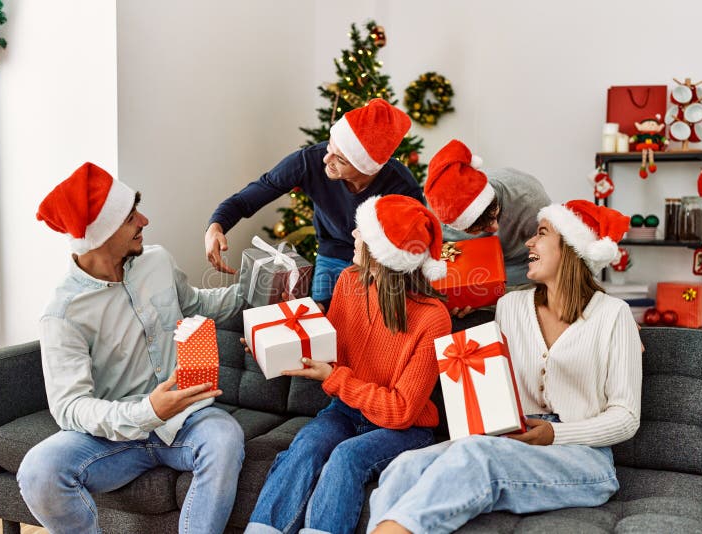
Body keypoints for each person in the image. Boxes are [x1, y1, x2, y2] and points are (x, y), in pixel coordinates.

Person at [367, 199, 643, 534]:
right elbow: (494, 388)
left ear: (571, 248)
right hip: (511, 439)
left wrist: (555, 433)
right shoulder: (510, 306)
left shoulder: (614, 314)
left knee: (478, 455)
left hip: (584, 458)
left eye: (541, 233)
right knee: (406, 465)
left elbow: (626, 418)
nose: (528, 242)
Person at [18, 162, 247, 533]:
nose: (144, 220)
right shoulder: (63, 314)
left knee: (225, 438)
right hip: (112, 437)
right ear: (102, 234)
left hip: (186, 420)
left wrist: (257, 290)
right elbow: (70, 408)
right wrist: (147, 412)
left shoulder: (156, 260)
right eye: (130, 217)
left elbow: (195, 306)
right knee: (39, 471)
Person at [244, 195, 453, 534]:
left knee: (346, 458)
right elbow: (331, 353)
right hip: (345, 411)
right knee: (306, 447)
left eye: (363, 232)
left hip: (404, 429)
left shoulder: (433, 319)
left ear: (383, 253)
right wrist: (276, 343)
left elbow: (401, 410)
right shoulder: (349, 282)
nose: (354, 234)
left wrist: (336, 379)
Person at [205, 98, 424, 309]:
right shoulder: (309, 160)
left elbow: (420, 249)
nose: (326, 160)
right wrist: (217, 224)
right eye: (330, 147)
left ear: (368, 169)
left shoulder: (403, 188)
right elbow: (258, 191)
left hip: (378, 267)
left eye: (340, 159)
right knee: (323, 317)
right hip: (331, 256)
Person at [424, 140, 551, 320]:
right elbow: (437, 262)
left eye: (495, 214)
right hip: (470, 274)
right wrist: (455, 297)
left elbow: (552, 255)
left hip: (523, 273)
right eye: (480, 228)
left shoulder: (530, 199)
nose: (495, 228)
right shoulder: (436, 215)